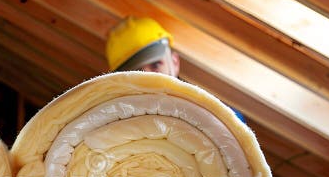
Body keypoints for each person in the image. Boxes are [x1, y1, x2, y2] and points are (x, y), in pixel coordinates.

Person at [105, 16, 245, 122]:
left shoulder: (221, 117)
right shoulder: (113, 129)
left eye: (155, 65)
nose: (148, 77)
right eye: (137, 73)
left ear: (174, 62)